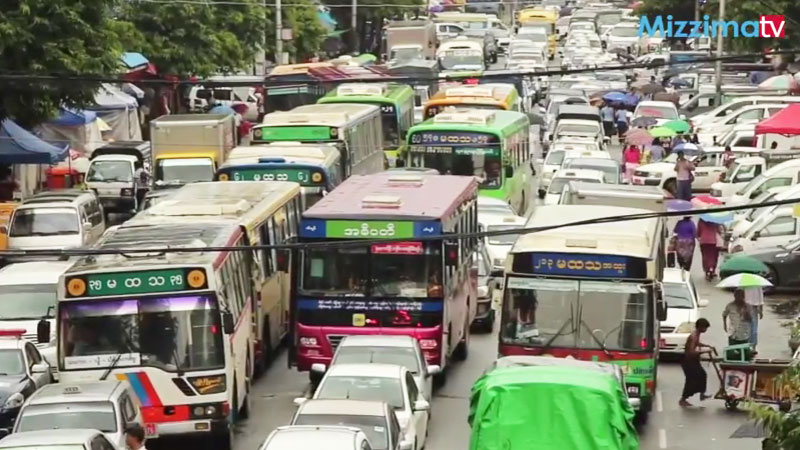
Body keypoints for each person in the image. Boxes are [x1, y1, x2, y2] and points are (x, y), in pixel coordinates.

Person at [679, 318, 713, 407]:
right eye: (705, 328)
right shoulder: (694, 335)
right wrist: (704, 351)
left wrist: (707, 346)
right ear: (701, 327)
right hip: (688, 360)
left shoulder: (697, 334)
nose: (706, 330)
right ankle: (683, 399)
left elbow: (697, 343)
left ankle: (702, 394)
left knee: (702, 375)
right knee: (691, 380)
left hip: (693, 360)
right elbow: (691, 351)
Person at [744, 286, 764, 350]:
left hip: (747, 307)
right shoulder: (757, 283)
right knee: (753, 328)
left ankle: (749, 346)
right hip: (751, 308)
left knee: (748, 328)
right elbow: (761, 298)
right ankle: (753, 347)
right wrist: (761, 310)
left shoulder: (744, 283)